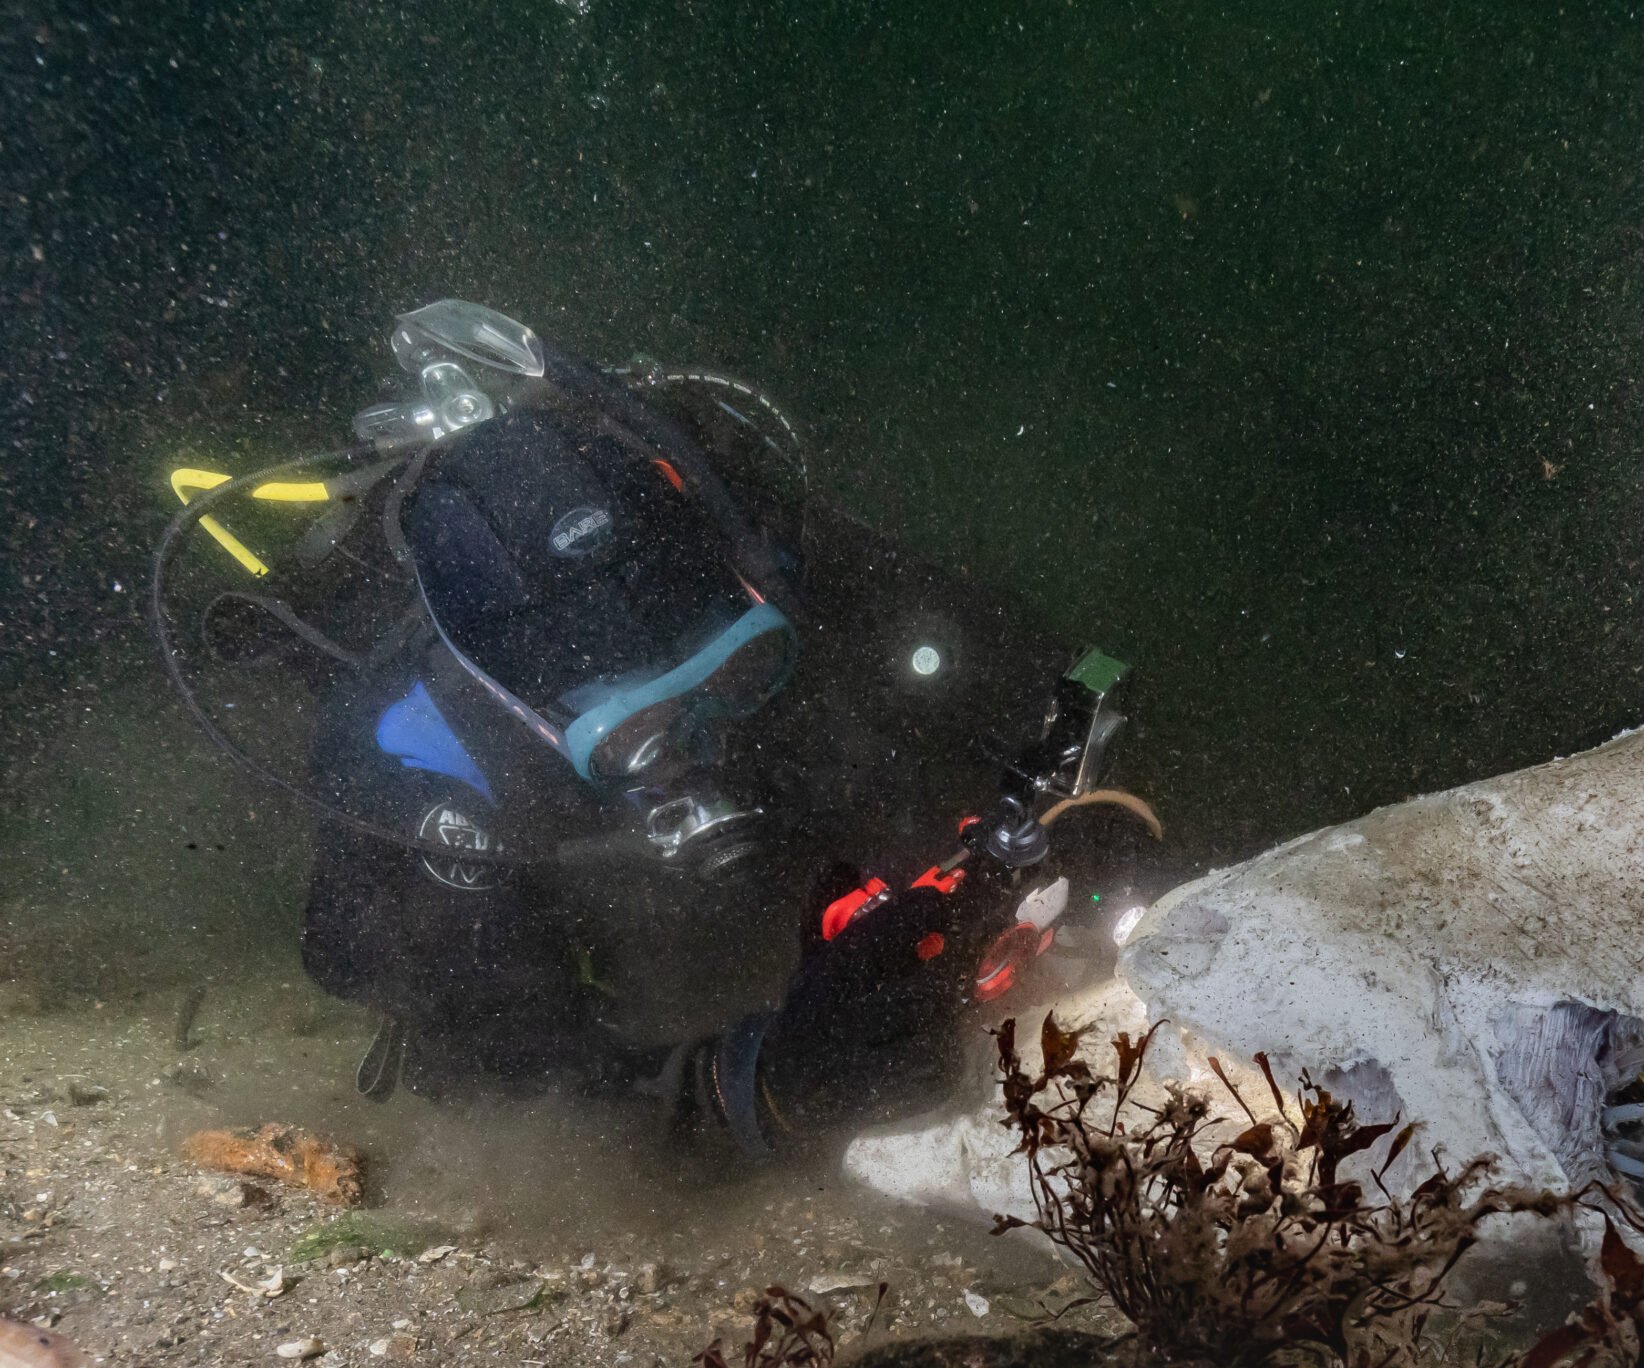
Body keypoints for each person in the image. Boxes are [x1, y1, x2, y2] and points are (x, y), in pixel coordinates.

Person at [174, 302, 1149, 1144]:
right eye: (639, 729)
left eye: (737, 668)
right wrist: (759, 1089)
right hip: (506, 852)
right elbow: (493, 1068)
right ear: (531, 714)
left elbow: (1038, 667)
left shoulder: (764, 547)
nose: (700, 738)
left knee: (852, 737)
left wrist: (1073, 796)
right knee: (434, 946)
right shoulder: (417, 752)